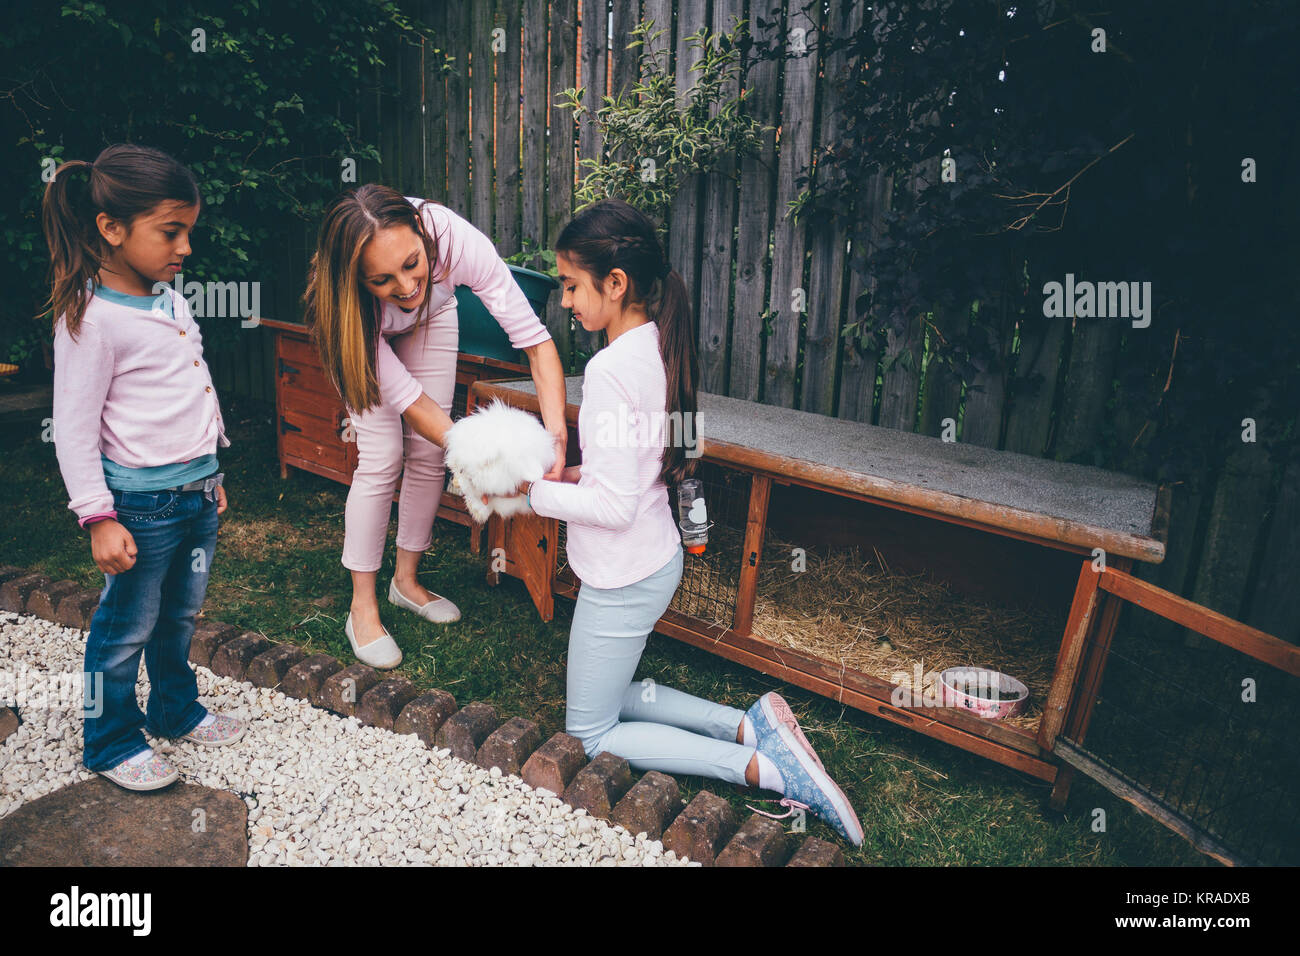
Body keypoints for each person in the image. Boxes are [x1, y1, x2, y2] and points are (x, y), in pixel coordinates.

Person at [488, 199, 864, 845]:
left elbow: (614, 507)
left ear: (616, 283)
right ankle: (749, 723)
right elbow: (635, 470)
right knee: (621, 691)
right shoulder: (654, 346)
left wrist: (530, 492)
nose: (567, 302)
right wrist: (574, 477)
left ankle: (764, 767)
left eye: (573, 286)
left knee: (590, 732)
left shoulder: (608, 370)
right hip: (649, 561)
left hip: (624, 576)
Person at [45, 144, 245, 792]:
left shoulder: (168, 299)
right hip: (140, 510)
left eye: (188, 230)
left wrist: (209, 474)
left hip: (192, 496)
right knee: (124, 628)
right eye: (170, 231)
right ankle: (108, 741)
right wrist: (98, 518)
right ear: (111, 228)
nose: (184, 245)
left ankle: (173, 708)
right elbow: (73, 430)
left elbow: (189, 391)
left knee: (178, 618)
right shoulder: (91, 320)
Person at [302, 185, 569, 668]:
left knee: (428, 457)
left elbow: (535, 342)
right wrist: (483, 462)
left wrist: (555, 438)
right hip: (359, 334)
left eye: (412, 263)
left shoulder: (458, 242)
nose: (405, 286)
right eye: (382, 279)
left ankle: (406, 581)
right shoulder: (344, 304)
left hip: (433, 318)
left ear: (425, 237)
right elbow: (413, 404)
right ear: (358, 278)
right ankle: (362, 607)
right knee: (383, 457)